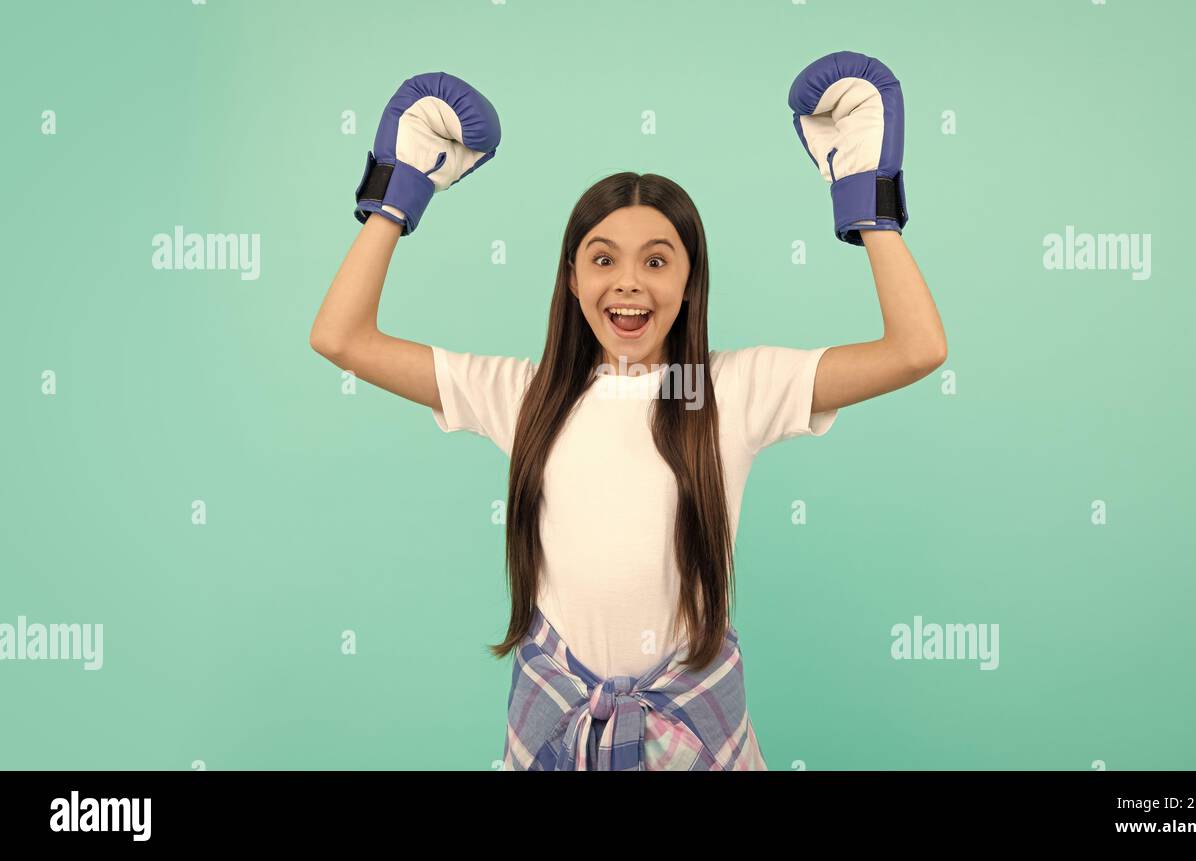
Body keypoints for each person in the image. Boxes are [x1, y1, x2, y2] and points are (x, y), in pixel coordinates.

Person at [309, 54, 946, 770]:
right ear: (572, 277)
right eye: (603, 259)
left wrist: (868, 200)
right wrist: (394, 196)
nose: (628, 284)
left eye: (656, 260)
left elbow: (917, 348)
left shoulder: (732, 389)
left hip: (694, 731)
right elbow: (340, 337)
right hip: (555, 725)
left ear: (689, 277)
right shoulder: (524, 396)